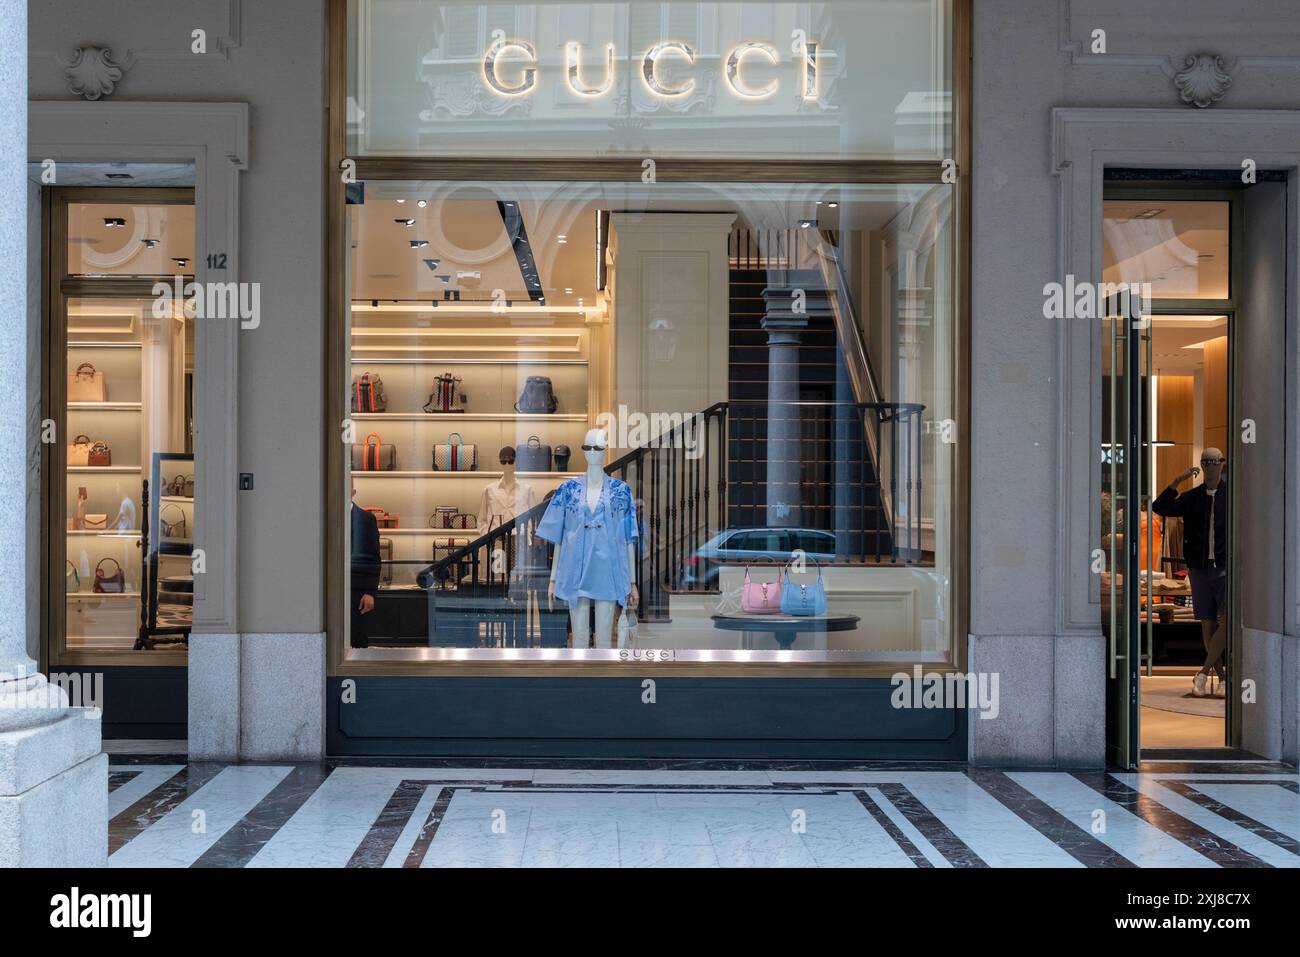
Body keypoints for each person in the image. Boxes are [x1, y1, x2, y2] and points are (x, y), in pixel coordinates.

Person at [1152, 448, 1227, 697]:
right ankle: (1223, 678)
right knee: (1206, 623)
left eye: (1215, 461)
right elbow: (1160, 506)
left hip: (1225, 568)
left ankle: (1204, 672)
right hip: (1198, 568)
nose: (1210, 466)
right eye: (1206, 461)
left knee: (1226, 622)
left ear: (1222, 464)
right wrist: (1178, 480)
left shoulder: (1233, 496)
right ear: (1202, 466)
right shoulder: (1192, 497)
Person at [350, 479, 381, 648]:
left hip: (357, 590)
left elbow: (373, 557)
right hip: (329, 590)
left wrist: (370, 592)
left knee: (357, 636)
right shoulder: (324, 515)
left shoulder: (366, 519)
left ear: (353, 492)